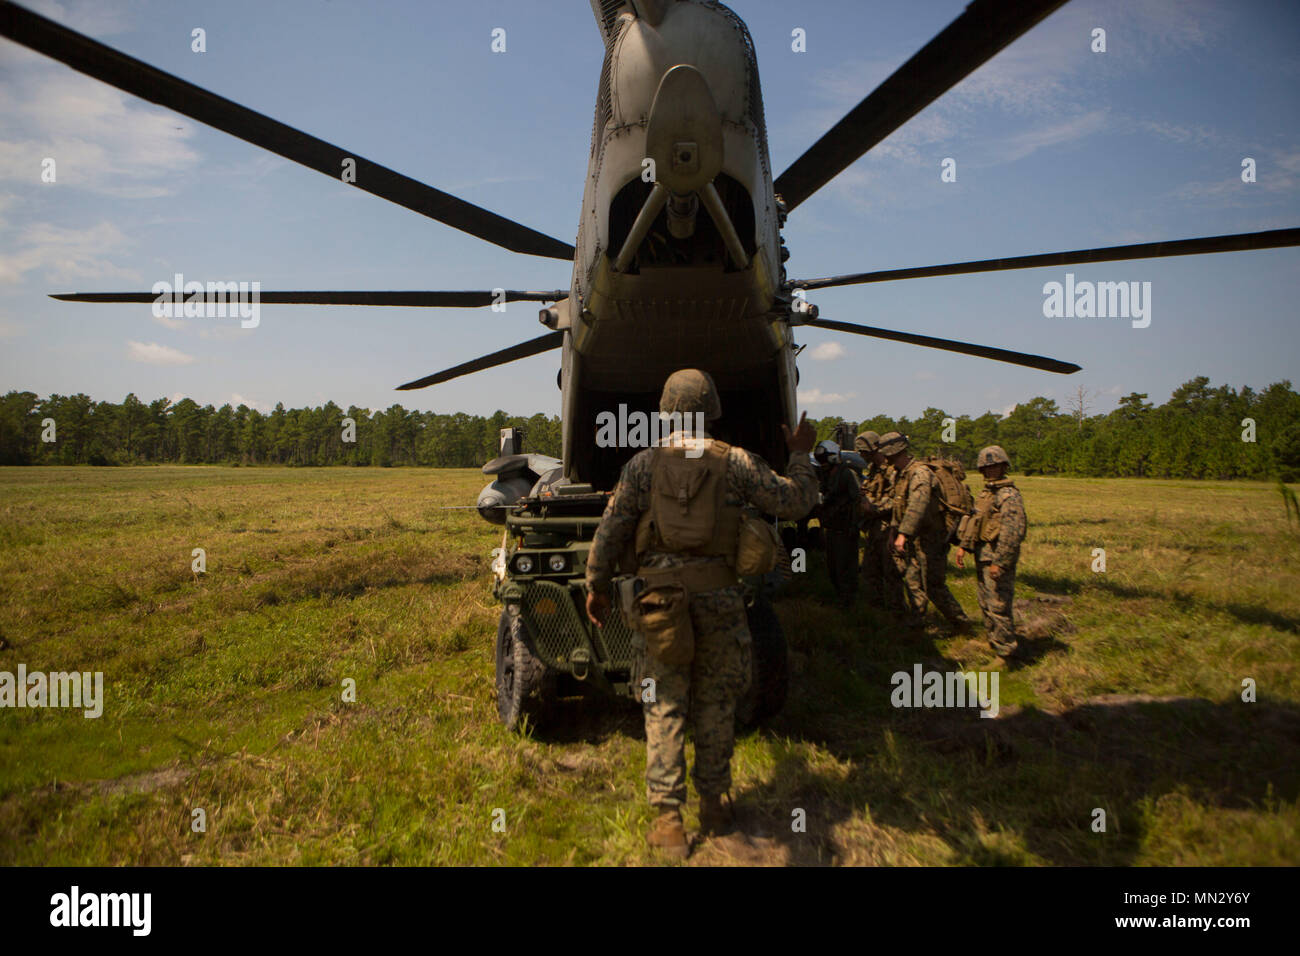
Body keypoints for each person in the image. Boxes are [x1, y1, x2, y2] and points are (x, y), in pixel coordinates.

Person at [584, 369, 818, 858]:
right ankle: (715, 805)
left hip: (660, 603)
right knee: (716, 703)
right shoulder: (737, 463)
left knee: (664, 704)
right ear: (712, 409)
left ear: (667, 410)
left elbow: (610, 532)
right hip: (721, 601)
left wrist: (596, 587)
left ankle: (669, 822)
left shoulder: (643, 465)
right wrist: (800, 452)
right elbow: (795, 502)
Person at [879, 432, 971, 631]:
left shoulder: (920, 473)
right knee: (913, 582)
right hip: (915, 536)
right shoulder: (899, 473)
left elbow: (917, 506)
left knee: (933, 585)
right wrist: (894, 532)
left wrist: (903, 534)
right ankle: (917, 624)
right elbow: (898, 505)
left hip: (933, 537)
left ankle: (961, 623)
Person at [955, 445, 1027, 657]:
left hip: (995, 558)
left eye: (995, 467)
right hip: (982, 556)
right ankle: (993, 641)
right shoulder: (987, 494)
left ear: (1004, 466)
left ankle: (1006, 653)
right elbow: (976, 522)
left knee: (998, 606)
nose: (990, 471)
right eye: (986, 468)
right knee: (985, 602)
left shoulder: (1008, 495)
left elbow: (1012, 533)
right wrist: (963, 547)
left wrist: (1001, 562)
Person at [855, 431, 903, 613]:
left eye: (863, 452)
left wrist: (872, 507)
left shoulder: (891, 471)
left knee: (891, 573)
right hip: (875, 529)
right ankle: (877, 611)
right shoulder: (874, 471)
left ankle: (897, 612)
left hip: (889, 529)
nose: (861, 456)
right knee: (870, 571)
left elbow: (896, 500)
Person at [815, 439, 860, 609]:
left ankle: (848, 602)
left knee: (845, 568)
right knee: (833, 568)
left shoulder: (846, 474)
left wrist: (854, 525)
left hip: (845, 528)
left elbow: (857, 500)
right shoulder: (826, 475)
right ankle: (839, 597)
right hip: (832, 527)